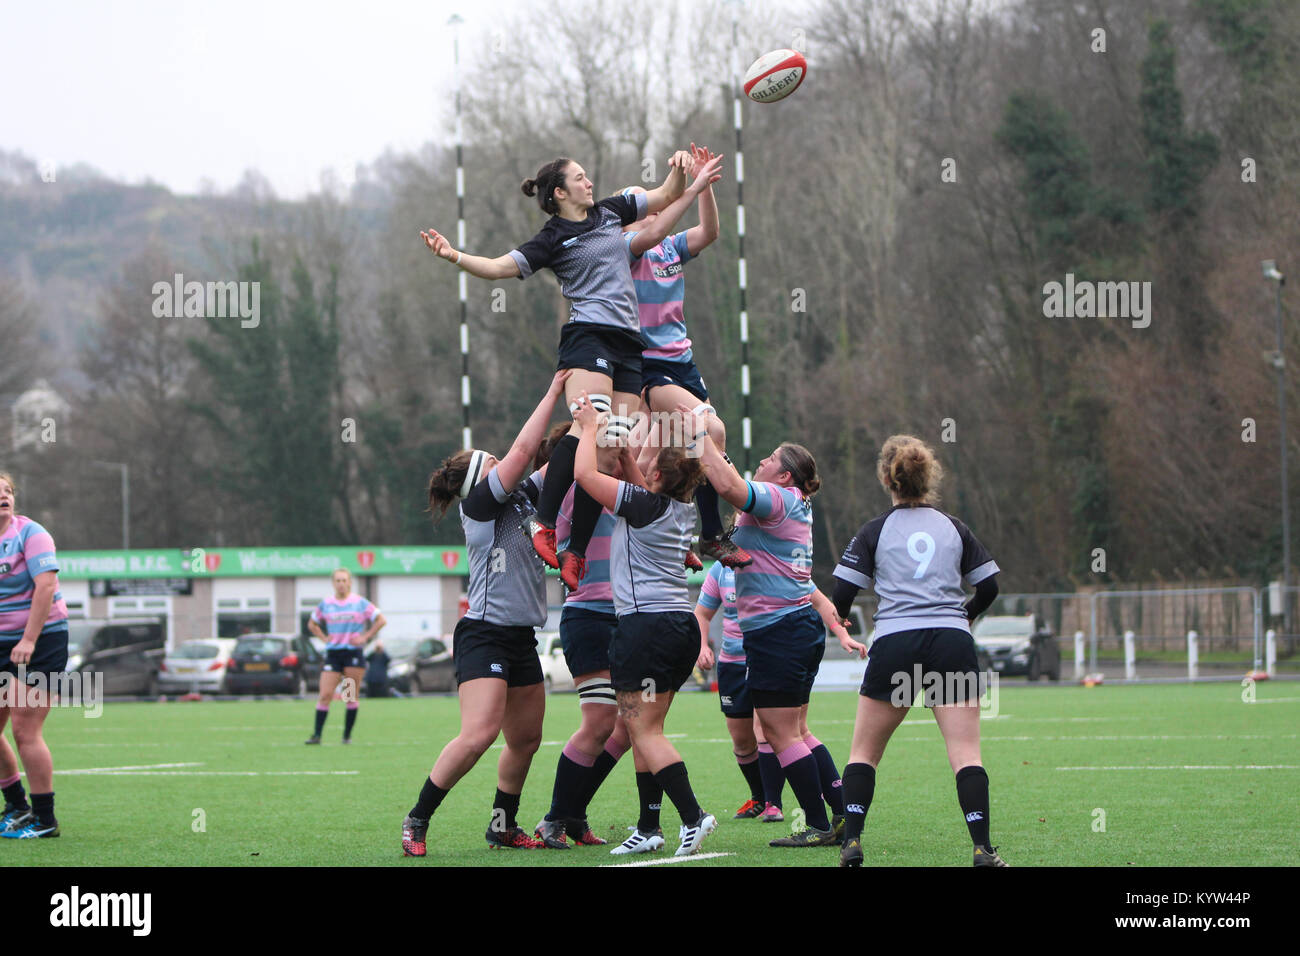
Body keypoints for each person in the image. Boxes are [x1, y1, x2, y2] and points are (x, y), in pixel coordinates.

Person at [420, 150, 723, 591]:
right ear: (560, 192)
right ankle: (542, 523)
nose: (589, 182)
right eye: (580, 178)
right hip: (589, 338)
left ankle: (575, 550)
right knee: (590, 429)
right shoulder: (552, 238)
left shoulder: (609, 213)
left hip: (628, 345)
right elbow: (500, 268)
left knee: (608, 450)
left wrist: (684, 174)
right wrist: (454, 256)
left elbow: (662, 199)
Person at [677, 407, 867, 848]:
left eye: (769, 458)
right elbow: (716, 474)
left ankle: (819, 826)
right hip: (793, 627)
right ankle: (839, 816)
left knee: (780, 733)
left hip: (779, 631)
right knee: (797, 731)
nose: (761, 462)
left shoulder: (778, 499)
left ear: (785, 476)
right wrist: (700, 441)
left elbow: (725, 483)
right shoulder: (789, 502)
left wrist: (694, 427)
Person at [401, 370, 571, 856]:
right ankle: (418, 818)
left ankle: (502, 825)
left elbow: (556, 464)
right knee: (478, 735)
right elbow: (523, 454)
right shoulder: (478, 506)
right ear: (481, 477)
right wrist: (553, 391)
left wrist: (591, 419)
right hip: (484, 635)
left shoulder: (521, 503)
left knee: (526, 739)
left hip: (520, 637)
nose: (506, 466)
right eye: (493, 464)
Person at [829, 435, 1007, 868]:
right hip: (950, 642)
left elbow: (842, 591)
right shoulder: (953, 526)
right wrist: (963, 618)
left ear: (887, 479)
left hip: (895, 643)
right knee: (966, 754)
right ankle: (982, 849)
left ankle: (851, 842)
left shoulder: (875, 530)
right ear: (929, 477)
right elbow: (989, 587)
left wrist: (842, 620)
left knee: (864, 754)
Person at [571, 390, 716, 856]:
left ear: (656, 475)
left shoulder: (641, 503)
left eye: (650, 462)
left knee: (644, 730)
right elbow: (634, 480)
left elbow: (584, 475)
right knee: (643, 729)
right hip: (678, 626)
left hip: (645, 628)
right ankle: (648, 826)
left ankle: (693, 816)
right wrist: (632, 455)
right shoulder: (677, 506)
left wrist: (590, 428)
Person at [532, 440, 635, 848]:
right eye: (612, 447)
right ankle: (554, 818)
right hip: (590, 615)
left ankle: (572, 814)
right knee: (598, 724)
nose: (623, 452)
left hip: (625, 618)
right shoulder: (578, 488)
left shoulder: (623, 489)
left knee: (626, 729)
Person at [0, 471, 70, 839]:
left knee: (25, 729)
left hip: (42, 639)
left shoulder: (31, 534)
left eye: (8, 491)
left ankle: (45, 821)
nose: (4, 496)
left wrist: (28, 640)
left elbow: (46, 587)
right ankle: (16, 807)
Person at [306, 568, 387, 744]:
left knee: (349, 695)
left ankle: (346, 736)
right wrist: (324, 638)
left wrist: (365, 637)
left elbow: (381, 620)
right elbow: (312, 624)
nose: (341, 584)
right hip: (333, 655)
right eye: (338, 581)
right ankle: (317, 735)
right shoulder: (326, 604)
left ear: (349, 582)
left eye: (344, 580)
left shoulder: (359, 603)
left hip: (352, 656)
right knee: (325, 694)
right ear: (333, 583)